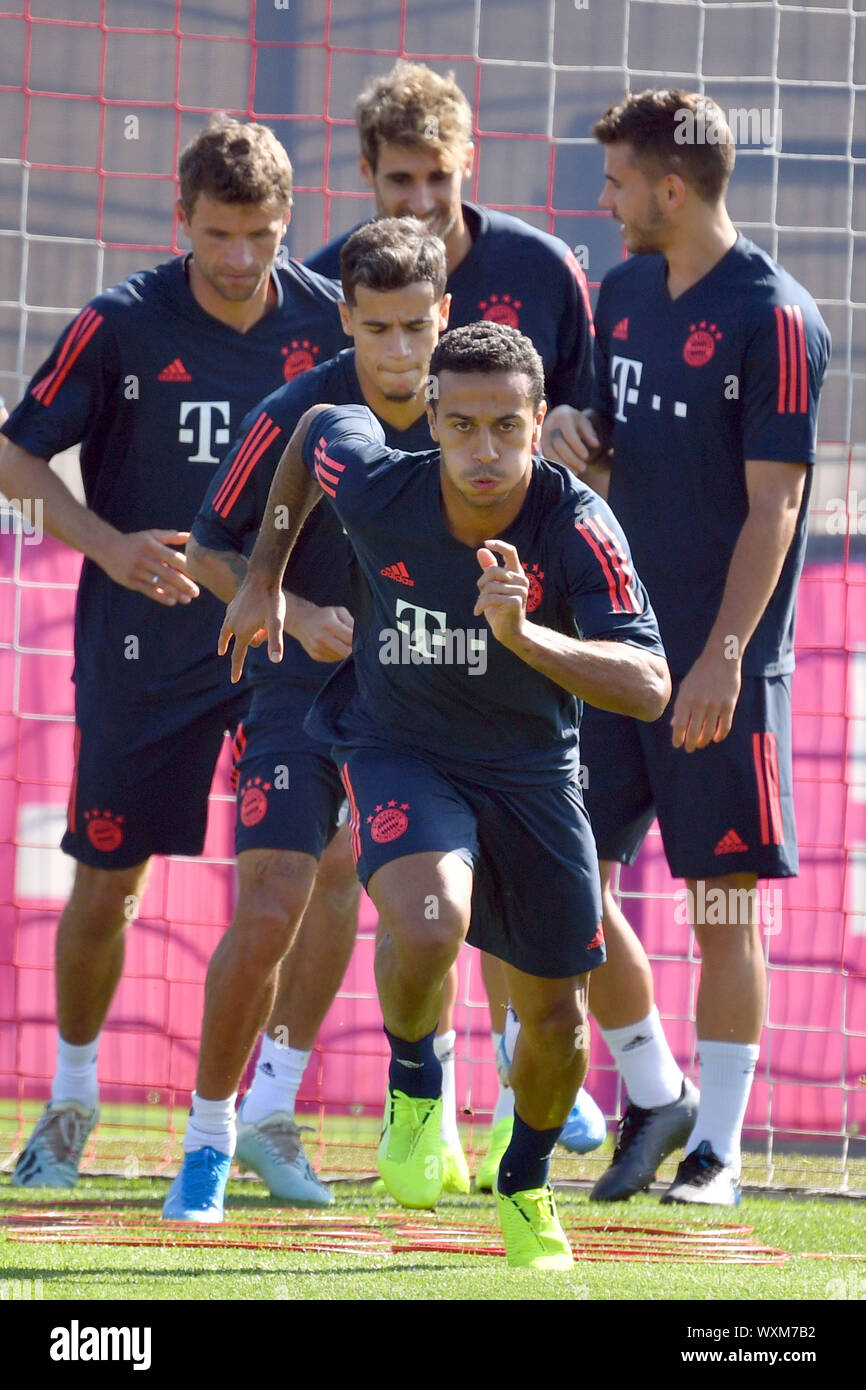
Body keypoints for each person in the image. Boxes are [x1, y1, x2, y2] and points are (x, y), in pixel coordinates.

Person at [218, 322, 670, 1268]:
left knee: (555, 1022)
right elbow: (315, 431)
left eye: (508, 426)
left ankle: (527, 1185)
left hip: (535, 776)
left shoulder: (578, 521)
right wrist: (264, 574)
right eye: (461, 426)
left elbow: (647, 682)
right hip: (400, 746)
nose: (485, 451)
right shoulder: (380, 485)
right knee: (428, 925)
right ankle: (417, 1086)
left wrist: (528, 638)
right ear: (431, 419)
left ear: (541, 424)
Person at [2, 114, 347, 1188]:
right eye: (217, 235)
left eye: (259, 234)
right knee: (108, 883)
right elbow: (14, 457)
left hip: (284, 655)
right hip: (145, 650)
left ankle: (267, 1114)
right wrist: (104, 546)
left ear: (287, 223)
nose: (240, 259)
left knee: (306, 876)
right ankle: (70, 1100)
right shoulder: (119, 325)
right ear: (181, 221)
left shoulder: (335, 328)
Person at [306, 59, 606, 1166]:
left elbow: (586, 410)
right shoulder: (351, 317)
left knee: (546, 905)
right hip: (386, 638)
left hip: (529, 656)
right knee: (381, 885)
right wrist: (266, 583)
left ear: (465, 167)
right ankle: (381, 1086)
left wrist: (565, 464)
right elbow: (313, 431)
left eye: (437, 177)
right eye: (398, 182)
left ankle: (536, 1083)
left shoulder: (541, 269)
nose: (420, 202)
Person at [547, 89, 830, 1205]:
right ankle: (650, 1082)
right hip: (613, 652)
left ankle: (712, 1150)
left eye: (615, 181)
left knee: (720, 909)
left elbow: (775, 510)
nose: (603, 199)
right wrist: (571, 437)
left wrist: (721, 658)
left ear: (670, 189)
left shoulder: (775, 318)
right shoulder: (617, 293)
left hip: (719, 669)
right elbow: (607, 455)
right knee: (567, 879)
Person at [163, 217, 453, 1220]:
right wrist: (285, 608)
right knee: (273, 903)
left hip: (423, 691)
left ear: (443, 317)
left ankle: (321, 1099)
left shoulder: (475, 409)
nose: (401, 351)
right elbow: (208, 546)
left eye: (417, 326)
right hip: (295, 686)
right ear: (345, 319)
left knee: (403, 890)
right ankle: (208, 1136)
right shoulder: (297, 407)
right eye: (377, 329)